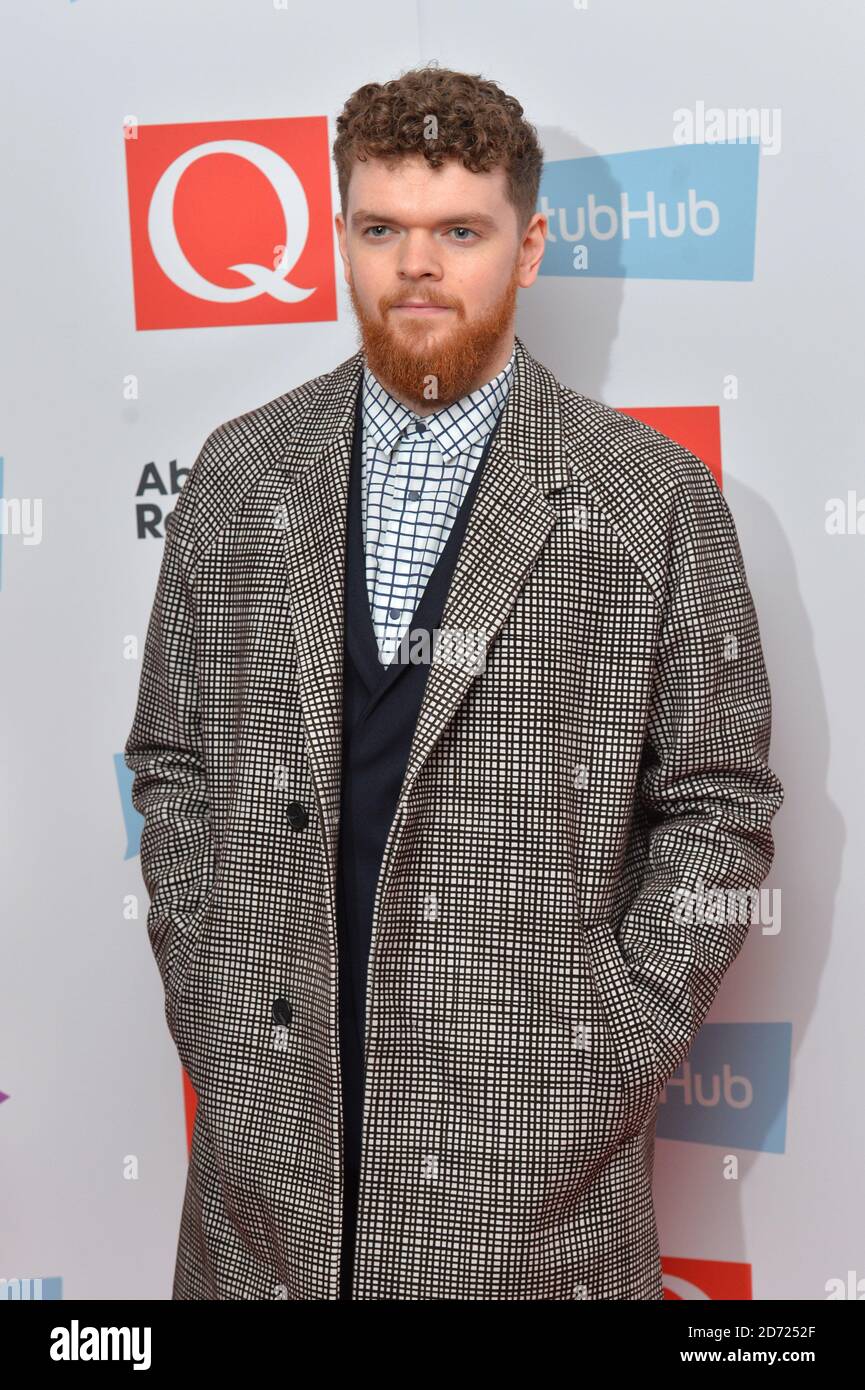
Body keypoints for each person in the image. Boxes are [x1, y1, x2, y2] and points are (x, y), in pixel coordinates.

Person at [124, 63, 784, 1301]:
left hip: (534, 1187)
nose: (416, 265)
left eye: (458, 232)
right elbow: (170, 762)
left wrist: (617, 1045)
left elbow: (721, 808)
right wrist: (210, 991)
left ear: (527, 248)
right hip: (266, 1165)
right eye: (382, 229)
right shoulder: (237, 474)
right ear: (339, 239)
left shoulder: (652, 501)